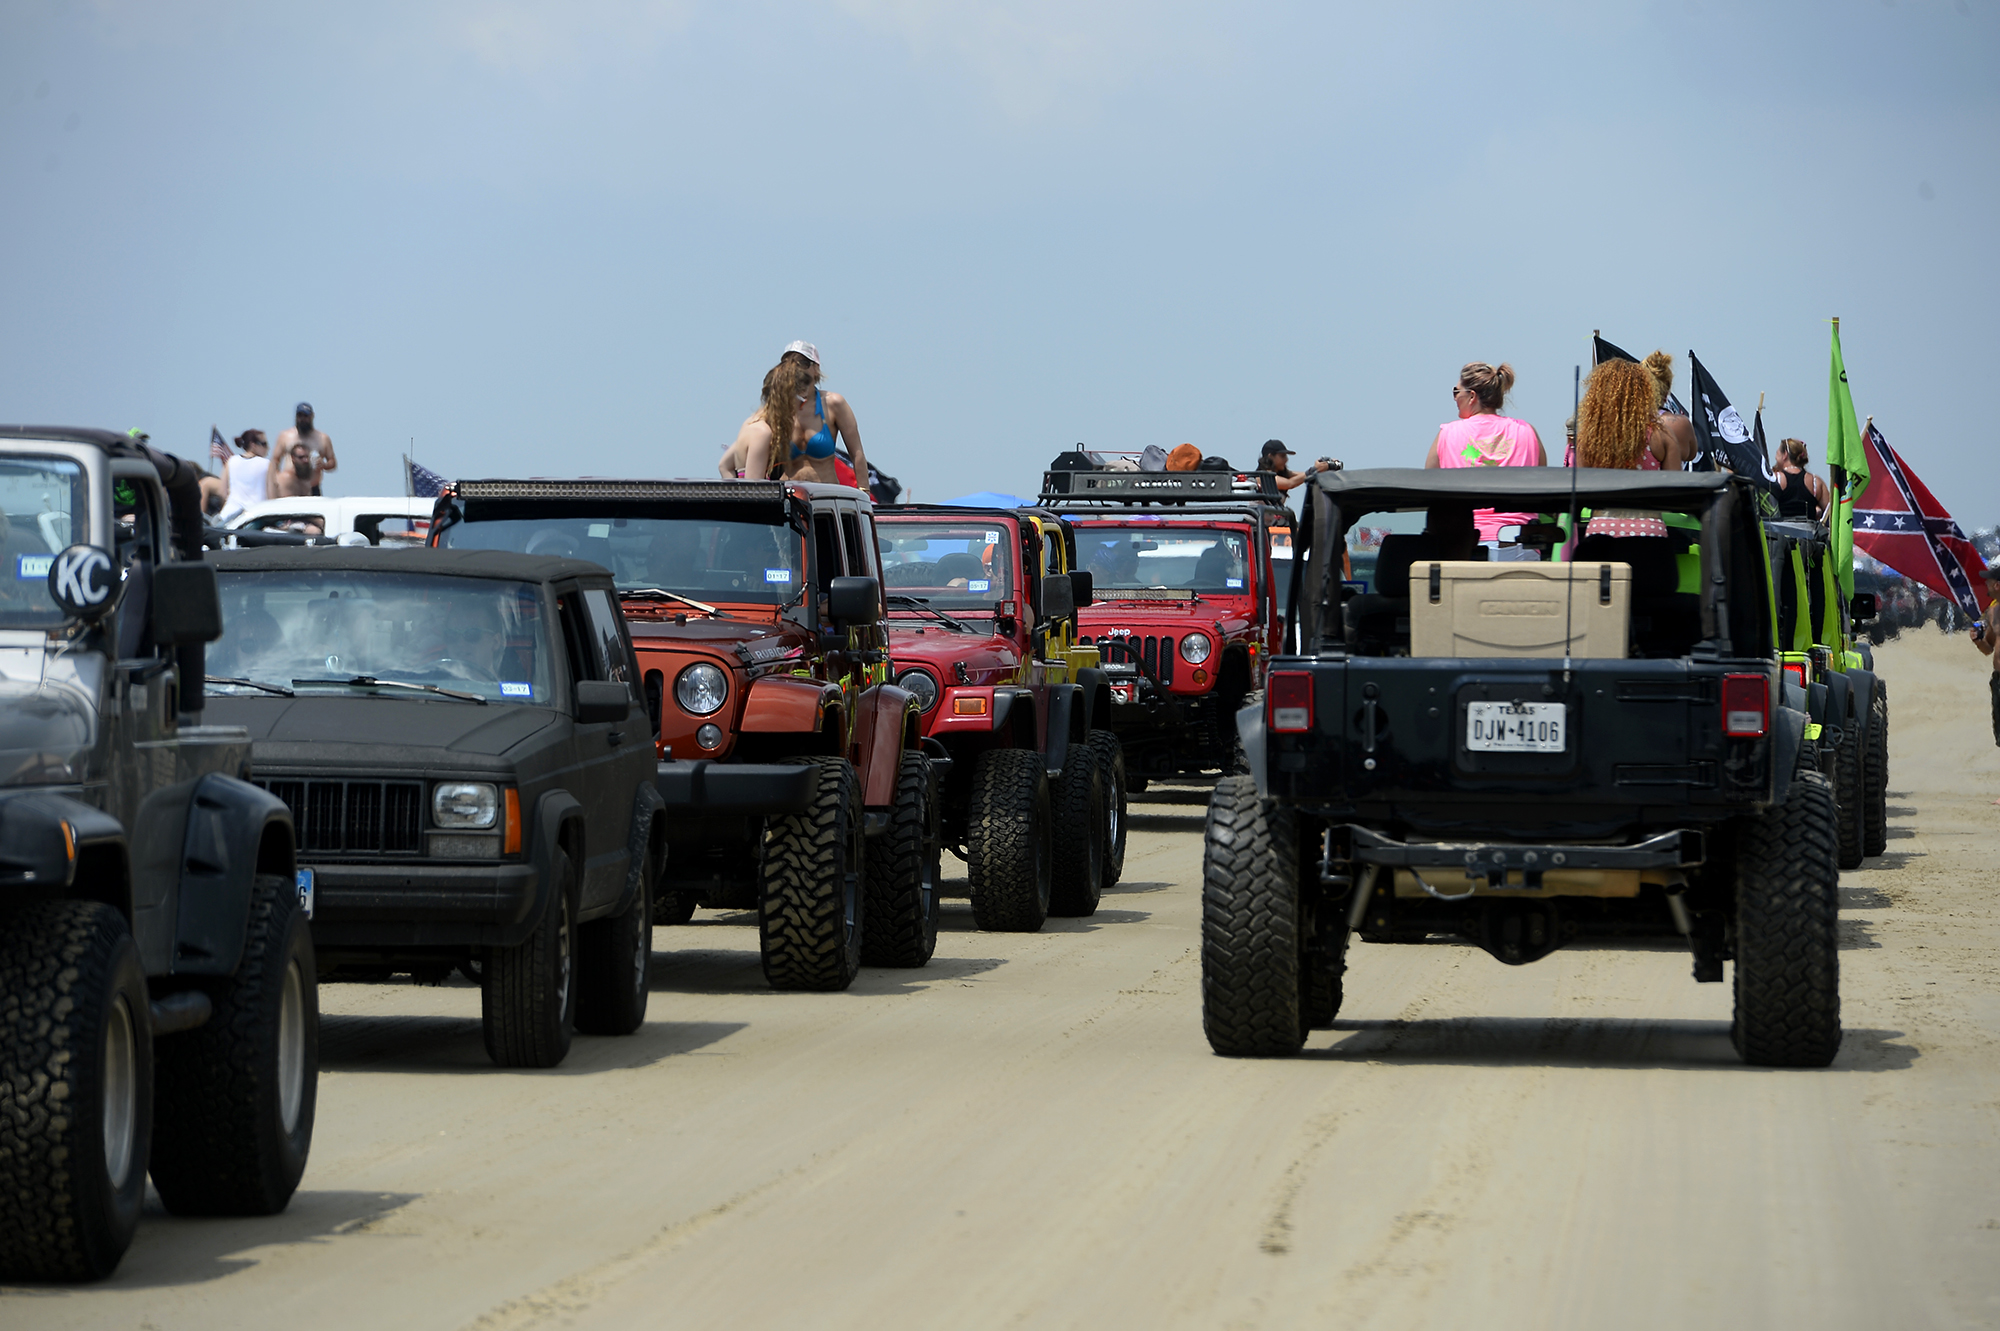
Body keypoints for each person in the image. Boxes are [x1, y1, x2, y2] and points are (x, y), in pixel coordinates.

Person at [1424, 362, 1546, 544]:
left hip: (1464, 542)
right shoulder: (1526, 431)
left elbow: (1428, 486)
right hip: (1520, 540)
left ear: (1472, 396)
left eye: (1456, 392)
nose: (1455, 398)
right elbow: (1542, 480)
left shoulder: (1448, 433)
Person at [728, 342, 868, 486]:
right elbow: (733, 456)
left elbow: (857, 453)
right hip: (788, 494)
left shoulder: (833, 403)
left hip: (826, 493)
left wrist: (864, 491)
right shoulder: (775, 410)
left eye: (803, 362)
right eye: (789, 362)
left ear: (816, 368)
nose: (795, 367)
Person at [1574, 358, 1669, 539]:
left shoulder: (1588, 439)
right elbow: (1675, 493)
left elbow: (1582, 492)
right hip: (1648, 529)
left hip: (1602, 529)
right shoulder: (1661, 435)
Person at [1641, 352, 1698, 469]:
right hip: (1670, 479)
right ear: (1666, 393)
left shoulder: (1627, 423)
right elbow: (1691, 454)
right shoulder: (1680, 424)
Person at [271, 403, 337, 498]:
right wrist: (275, 481)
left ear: (312, 416)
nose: (302, 419)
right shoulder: (285, 436)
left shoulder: (322, 438)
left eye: (306, 416)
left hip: (312, 487)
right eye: (300, 416)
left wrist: (324, 465)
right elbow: (275, 460)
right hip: (290, 485)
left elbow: (332, 462)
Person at [216, 430, 271, 522]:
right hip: (256, 517)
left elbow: (222, 492)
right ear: (253, 445)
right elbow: (272, 495)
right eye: (264, 444)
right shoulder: (267, 464)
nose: (268, 448)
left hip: (228, 515)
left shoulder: (231, 461)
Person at [1973, 561, 2000, 752]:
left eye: (1988, 582)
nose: (1986, 585)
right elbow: (1989, 648)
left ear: (1997, 585)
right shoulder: (1993, 612)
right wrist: (1977, 640)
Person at [1773, 438, 1829, 521]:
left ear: (1785, 455)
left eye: (1777, 454)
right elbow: (1830, 512)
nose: (1775, 458)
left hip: (1780, 528)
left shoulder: (1776, 479)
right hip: (1809, 528)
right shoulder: (1815, 482)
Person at [1257, 440, 1336, 493]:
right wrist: (1314, 469)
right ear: (1270, 456)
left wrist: (1324, 468)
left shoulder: (1281, 473)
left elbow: (1302, 475)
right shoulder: (1262, 477)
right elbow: (1289, 483)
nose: (1286, 460)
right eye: (1282, 456)